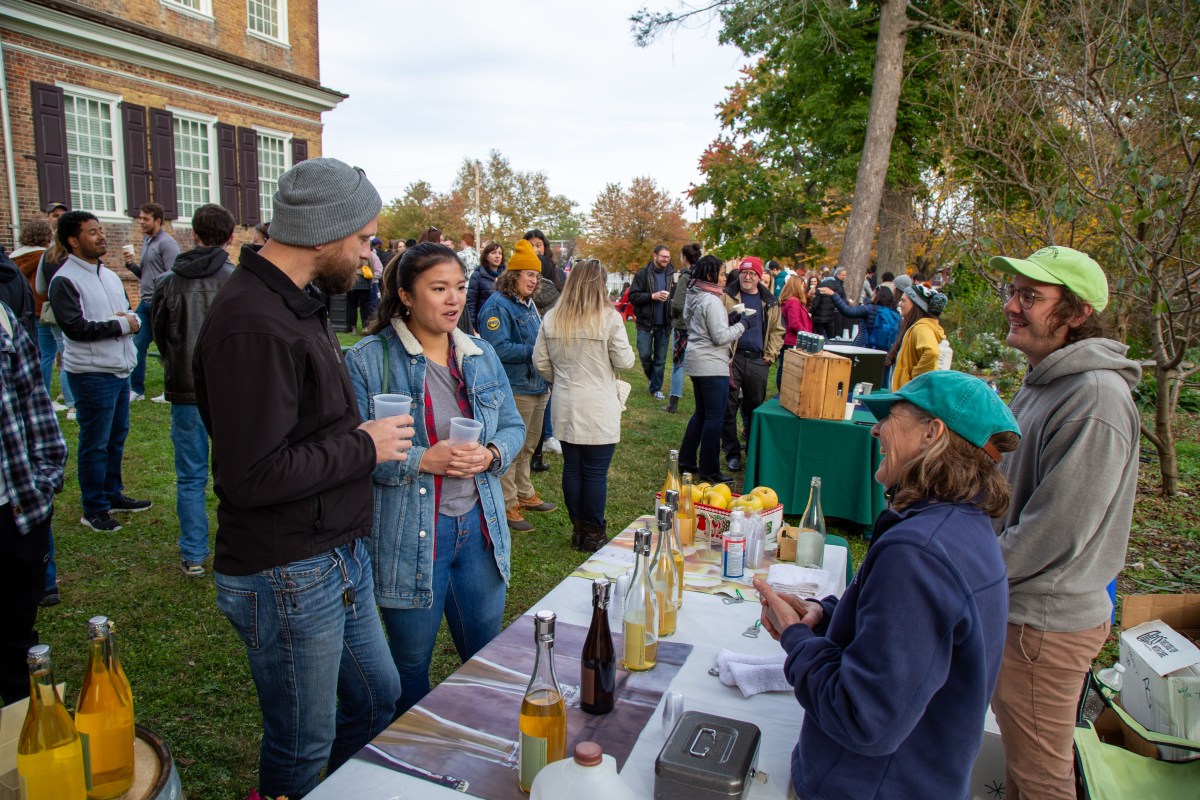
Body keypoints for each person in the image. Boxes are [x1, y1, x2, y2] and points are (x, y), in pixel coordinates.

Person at [193, 158, 409, 799]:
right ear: (324, 233)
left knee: (377, 698)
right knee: (301, 741)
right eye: (366, 239)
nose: (371, 258)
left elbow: (299, 426)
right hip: (287, 569)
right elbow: (251, 475)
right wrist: (362, 446)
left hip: (333, 550)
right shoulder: (251, 323)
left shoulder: (295, 304)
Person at [752, 370, 1020, 800]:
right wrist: (832, 617)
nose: (875, 428)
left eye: (891, 416)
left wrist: (796, 639)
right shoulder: (961, 527)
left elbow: (864, 718)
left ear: (932, 434)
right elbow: (919, 645)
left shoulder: (920, 552)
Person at [987, 245, 1140, 800]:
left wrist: (968, 567)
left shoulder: (1095, 398)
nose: (1012, 306)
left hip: (1044, 624)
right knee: (1023, 765)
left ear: (1076, 314)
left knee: (1040, 777)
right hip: (1019, 609)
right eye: (1013, 292)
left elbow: (1054, 532)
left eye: (1031, 296)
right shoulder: (1047, 379)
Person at [346, 241, 524, 715]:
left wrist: (489, 454)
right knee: (409, 670)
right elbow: (350, 453)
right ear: (405, 295)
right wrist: (424, 460)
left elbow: (512, 425)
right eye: (439, 288)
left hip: (480, 529)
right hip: (410, 536)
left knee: (485, 659)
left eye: (460, 288)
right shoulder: (368, 361)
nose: (453, 300)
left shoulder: (480, 354)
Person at [48, 211, 152, 533]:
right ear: (73, 240)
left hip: (119, 369)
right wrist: (125, 323)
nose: (101, 236)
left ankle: (112, 493)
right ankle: (93, 507)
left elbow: (123, 310)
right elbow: (76, 328)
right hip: (92, 374)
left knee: (116, 437)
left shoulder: (108, 275)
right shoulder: (64, 279)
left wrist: (129, 318)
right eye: (92, 232)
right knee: (95, 442)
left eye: (101, 230)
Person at [151, 203, 236, 577]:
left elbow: (159, 335)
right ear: (230, 238)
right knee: (228, 471)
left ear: (195, 235)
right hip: (225, 390)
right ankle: (202, 551)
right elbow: (159, 333)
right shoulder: (231, 279)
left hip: (196, 386)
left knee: (193, 475)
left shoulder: (172, 280)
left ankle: (197, 553)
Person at [533, 259, 635, 551]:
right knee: (593, 472)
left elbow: (540, 362)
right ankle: (591, 532)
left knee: (574, 468)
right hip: (598, 403)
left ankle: (580, 529)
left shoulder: (553, 317)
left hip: (566, 400)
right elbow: (625, 361)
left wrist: (564, 379)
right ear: (599, 285)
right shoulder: (608, 318)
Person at [0, 300, 67, 705]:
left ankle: (20, 740)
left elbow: (35, 403)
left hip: (14, 509)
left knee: (15, 636)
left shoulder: (4, 319)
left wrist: (44, 478)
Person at [478, 240, 556, 533]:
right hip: (515, 387)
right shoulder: (497, 306)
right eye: (529, 274)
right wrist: (536, 351)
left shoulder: (530, 304)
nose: (534, 281)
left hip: (537, 384)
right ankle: (507, 502)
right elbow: (497, 348)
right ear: (513, 275)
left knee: (530, 445)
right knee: (512, 446)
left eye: (536, 276)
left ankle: (524, 492)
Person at [679, 255, 748, 484]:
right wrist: (742, 325)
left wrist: (729, 318)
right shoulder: (711, 300)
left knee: (701, 414)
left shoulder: (696, 294)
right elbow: (719, 337)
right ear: (710, 275)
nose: (724, 277)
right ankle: (710, 470)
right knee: (714, 418)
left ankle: (687, 461)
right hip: (711, 364)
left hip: (698, 361)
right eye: (720, 273)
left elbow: (703, 326)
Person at [721, 256, 783, 473]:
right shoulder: (727, 295)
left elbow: (777, 331)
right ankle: (732, 453)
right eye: (744, 272)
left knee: (753, 408)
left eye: (752, 273)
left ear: (759, 277)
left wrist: (770, 356)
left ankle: (752, 451)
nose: (747, 276)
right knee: (728, 406)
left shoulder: (771, 301)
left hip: (758, 360)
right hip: (733, 358)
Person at [123, 203, 180, 401]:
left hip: (161, 304)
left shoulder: (167, 244)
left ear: (158, 221)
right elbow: (146, 274)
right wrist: (131, 266)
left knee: (168, 347)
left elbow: (174, 275)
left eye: (145, 219)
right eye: (140, 218)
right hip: (145, 303)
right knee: (137, 345)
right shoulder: (147, 242)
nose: (141, 222)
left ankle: (171, 390)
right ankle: (136, 390)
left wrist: (166, 302)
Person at [628, 245, 675, 400]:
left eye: (668, 257)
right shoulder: (642, 274)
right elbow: (633, 296)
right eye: (663, 256)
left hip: (665, 323)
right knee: (645, 355)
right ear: (655, 256)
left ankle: (655, 388)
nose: (666, 260)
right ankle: (652, 378)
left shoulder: (671, 275)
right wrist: (652, 296)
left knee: (661, 359)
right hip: (645, 323)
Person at [664, 243, 701, 414]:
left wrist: (673, 313)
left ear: (684, 257)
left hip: (682, 326)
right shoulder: (702, 275)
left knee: (678, 364)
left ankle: (673, 402)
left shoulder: (686, 277)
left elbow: (678, 304)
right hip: (698, 326)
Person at [890, 283, 947, 390]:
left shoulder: (921, 328)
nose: (899, 304)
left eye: (903, 301)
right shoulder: (918, 326)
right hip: (906, 395)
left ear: (916, 304)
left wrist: (916, 378)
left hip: (909, 396)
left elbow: (932, 352)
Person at [817, 284, 898, 349]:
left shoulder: (870, 309)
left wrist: (833, 294)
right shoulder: (895, 314)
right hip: (883, 352)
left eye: (874, 295)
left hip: (863, 348)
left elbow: (847, 311)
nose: (871, 297)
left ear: (878, 296)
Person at [776, 275, 813, 392]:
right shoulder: (794, 302)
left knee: (784, 366)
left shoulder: (788, 301)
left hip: (789, 339)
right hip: (793, 340)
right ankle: (784, 391)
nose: (803, 288)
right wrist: (807, 333)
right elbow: (794, 322)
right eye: (802, 286)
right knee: (788, 368)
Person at [466, 240, 504, 333]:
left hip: (504, 321)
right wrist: (472, 325)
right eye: (493, 253)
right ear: (486, 256)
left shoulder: (506, 275)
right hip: (485, 322)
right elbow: (471, 302)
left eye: (500, 253)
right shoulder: (477, 275)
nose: (497, 256)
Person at [810, 266, 847, 339]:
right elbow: (842, 300)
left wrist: (812, 312)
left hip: (818, 316)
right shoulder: (838, 286)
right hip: (830, 316)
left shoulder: (822, 284)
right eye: (843, 275)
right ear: (837, 275)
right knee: (831, 338)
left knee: (818, 338)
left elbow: (816, 301)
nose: (845, 277)